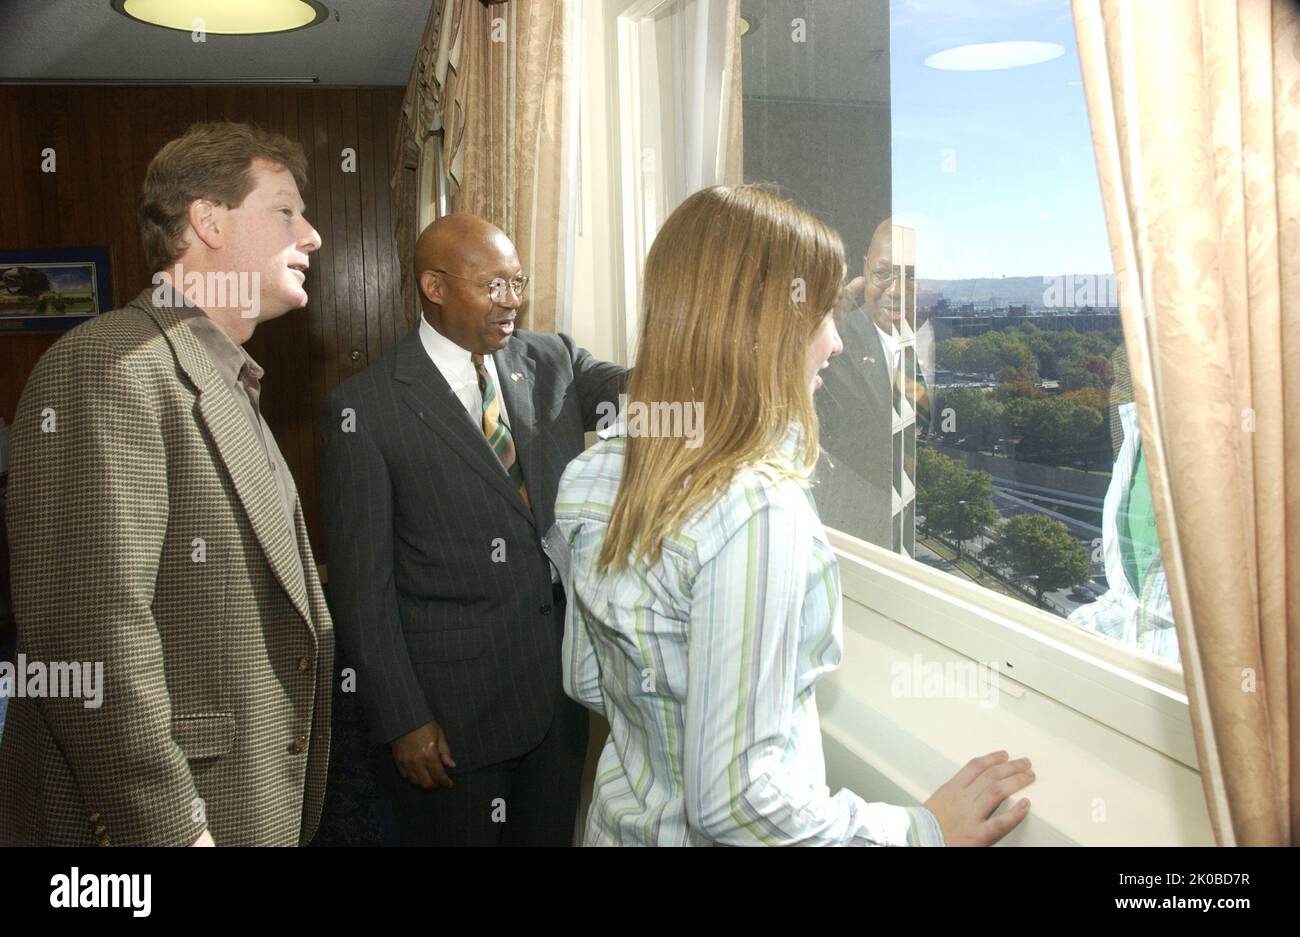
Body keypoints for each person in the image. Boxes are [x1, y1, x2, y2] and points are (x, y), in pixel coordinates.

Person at [555, 185, 1034, 845]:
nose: (835, 343)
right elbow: (735, 803)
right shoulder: (756, 510)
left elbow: (585, 674)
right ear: (761, 328)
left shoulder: (594, 472)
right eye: (822, 318)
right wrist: (922, 831)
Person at [0, 122, 333, 846]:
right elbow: (85, 639)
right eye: (285, 210)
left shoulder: (223, 376)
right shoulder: (108, 366)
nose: (309, 235)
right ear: (206, 219)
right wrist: (174, 833)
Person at [321, 213, 626, 846]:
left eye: (517, 282)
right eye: (493, 286)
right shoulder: (366, 409)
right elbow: (361, 590)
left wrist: (712, 350)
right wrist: (404, 719)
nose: (512, 300)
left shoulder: (553, 360)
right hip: (452, 718)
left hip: (558, 696)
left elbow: (640, 402)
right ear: (434, 286)